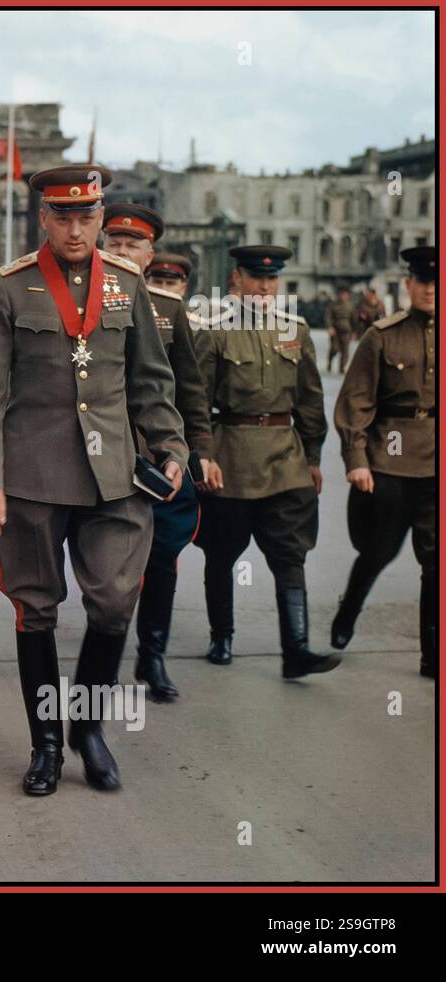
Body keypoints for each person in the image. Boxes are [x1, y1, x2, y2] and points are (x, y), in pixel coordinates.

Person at [0, 166, 187, 796]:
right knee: (35, 609)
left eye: (85, 215)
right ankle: (46, 745)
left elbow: (150, 380)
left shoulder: (126, 285)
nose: (74, 227)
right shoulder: (10, 289)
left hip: (114, 477)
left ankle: (89, 729)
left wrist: (170, 445)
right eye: (61, 216)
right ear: (44, 218)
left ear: (100, 218)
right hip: (32, 476)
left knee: (115, 600)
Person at [191, 245, 339, 679]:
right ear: (237, 278)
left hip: (285, 456)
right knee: (222, 552)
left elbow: (310, 399)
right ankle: (222, 636)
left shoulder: (296, 329)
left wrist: (312, 457)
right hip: (232, 456)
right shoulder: (215, 331)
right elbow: (197, 400)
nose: (265, 287)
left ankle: (296, 649)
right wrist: (203, 456)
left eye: (272, 280)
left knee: (290, 552)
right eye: (257, 278)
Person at [102, 204, 215, 702]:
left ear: (149, 255)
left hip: (157, 462)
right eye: (115, 244)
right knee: (106, 566)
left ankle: (152, 656)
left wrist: (201, 451)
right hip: (102, 458)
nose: (123, 252)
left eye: (133, 246)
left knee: (163, 560)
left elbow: (190, 391)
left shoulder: (168, 311)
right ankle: (104, 655)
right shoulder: (82, 304)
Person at [331, 246, 436, 678]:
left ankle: (432, 654)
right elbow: (355, 401)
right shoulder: (383, 335)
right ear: (409, 284)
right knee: (377, 551)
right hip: (389, 461)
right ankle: (348, 610)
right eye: (424, 281)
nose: (432, 289)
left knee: (436, 562)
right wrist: (356, 459)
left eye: (438, 282)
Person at [325, 286, 356, 373]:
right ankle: (330, 362)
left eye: (345, 295)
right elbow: (328, 317)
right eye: (342, 294)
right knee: (334, 348)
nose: (343, 296)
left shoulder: (351, 306)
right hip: (335, 330)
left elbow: (354, 319)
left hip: (346, 331)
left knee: (345, 351)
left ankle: (342, 367)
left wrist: (354, 331)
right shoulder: (332, 305)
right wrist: (330, 327)